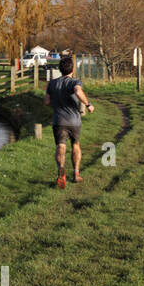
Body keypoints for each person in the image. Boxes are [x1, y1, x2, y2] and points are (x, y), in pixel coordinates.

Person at [44, 54, 93, 189]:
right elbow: (78, 92)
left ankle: (61, 168)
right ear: (72, 70)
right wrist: (88, 105)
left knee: (61, 146)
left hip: (58, 120)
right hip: (74, 121)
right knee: (75, 145)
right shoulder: (74, 82)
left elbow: (47, 102)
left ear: (60, 69)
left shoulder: (52, 84)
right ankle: (76, 173)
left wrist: (57, 101)